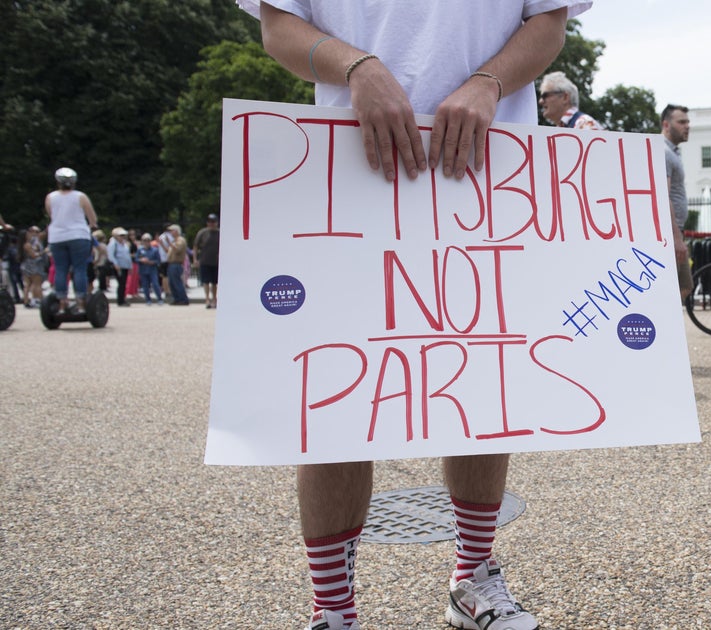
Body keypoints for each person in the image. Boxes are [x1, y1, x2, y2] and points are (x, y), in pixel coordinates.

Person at [243, 1, 588, 628]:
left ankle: (472, 578)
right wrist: (357, 68)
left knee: (483, 380)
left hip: (489, 163)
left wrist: (489, 83)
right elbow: (277, 27)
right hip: (346, 165)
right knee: (336, 390)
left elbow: (549, 22)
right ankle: (333, 609)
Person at [45, 167, 98, 314]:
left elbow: (51, 215)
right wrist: (92, 225)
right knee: (79, 268)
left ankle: (62, 303)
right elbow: (92, 218)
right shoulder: (80, 196)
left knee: (61, 269)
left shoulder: (51, 197)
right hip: (78, 236)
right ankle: (81, 303)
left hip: (57, 237)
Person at [661, 103, 695, 303]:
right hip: (669, 233)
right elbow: (663, 197)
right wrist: (675, 237)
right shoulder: (664, 153)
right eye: (681, 122)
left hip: (674, 231)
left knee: (684, 287)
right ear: (666, 124)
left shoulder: (673, 152)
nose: (687, 126)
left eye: (688, 121)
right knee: (677, 289)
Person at [538, 70, 603, 130]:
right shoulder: (574, 125)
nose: (540, 101)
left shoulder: (584, 124)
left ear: (565, 97)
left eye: (545, 95)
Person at [194, 213, 220, 309]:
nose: (212, 224)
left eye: (213, 222)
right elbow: (196, 246)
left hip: (216, 261)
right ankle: (207, 299)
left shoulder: (219, 233)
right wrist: (195, 259)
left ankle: (214, 299)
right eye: (210, 222)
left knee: (214, 282)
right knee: (206, 282)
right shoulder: (202, 233)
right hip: (205, 260)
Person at [21, 226, 47, 308]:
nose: (36, 233)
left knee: (27, 285)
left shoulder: (28, 242)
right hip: (35, 265)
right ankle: (39, 300)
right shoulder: (32, 242)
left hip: (27, 266)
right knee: (37, 284)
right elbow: (34, 255)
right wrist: (44, 252)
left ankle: (27, 301)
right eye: (34, 231)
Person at [135, 233, 164, 305]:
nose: (146, 242)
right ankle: (148, 300)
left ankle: (159, 298)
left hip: (152, 269)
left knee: (155, 284)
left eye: (148, 240)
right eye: (144, 240)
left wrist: (151, 262)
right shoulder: (140, 250)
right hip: (143, 270)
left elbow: (158, 260)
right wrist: (141, 260)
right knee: (145, 286)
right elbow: (136, 259)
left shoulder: (154, 250)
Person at [107, 227, 133, 307]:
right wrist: (115, 264)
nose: (122, 237)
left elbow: (127, 256)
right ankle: (120, 301)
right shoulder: (113, 243)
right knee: (121, 283)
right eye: (120, 235)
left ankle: (122, 299)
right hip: (118, 266)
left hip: (125, 266)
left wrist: (130, 266)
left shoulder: (125, 244)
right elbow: (110, 255)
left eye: (123, 235)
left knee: (123, 283)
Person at [165, 225, 189, 305]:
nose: (170, 232)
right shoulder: (174, 241)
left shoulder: (180, 240)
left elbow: (178, 250)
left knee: (177, 282)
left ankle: (183, 299)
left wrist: (169, 243)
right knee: (172, 283)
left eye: (172, 230)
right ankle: (177, 298)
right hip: (172, 264)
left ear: (177, 231)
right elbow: (169, 251)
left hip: (176, 264)